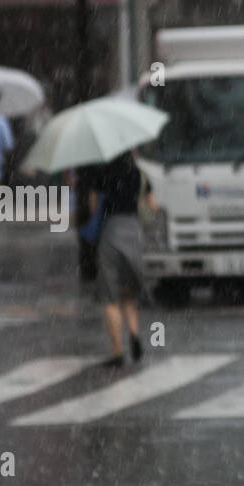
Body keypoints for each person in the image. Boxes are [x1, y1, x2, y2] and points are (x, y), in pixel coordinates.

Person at [83, 150, 153, 367]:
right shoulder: (139, 174)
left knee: (109, 296)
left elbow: (94, 208)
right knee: (129, 293)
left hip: (111, 232)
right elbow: (153, 206)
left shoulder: (101, 174)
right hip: (133, 232)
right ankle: (134, 335)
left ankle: (117, 352)